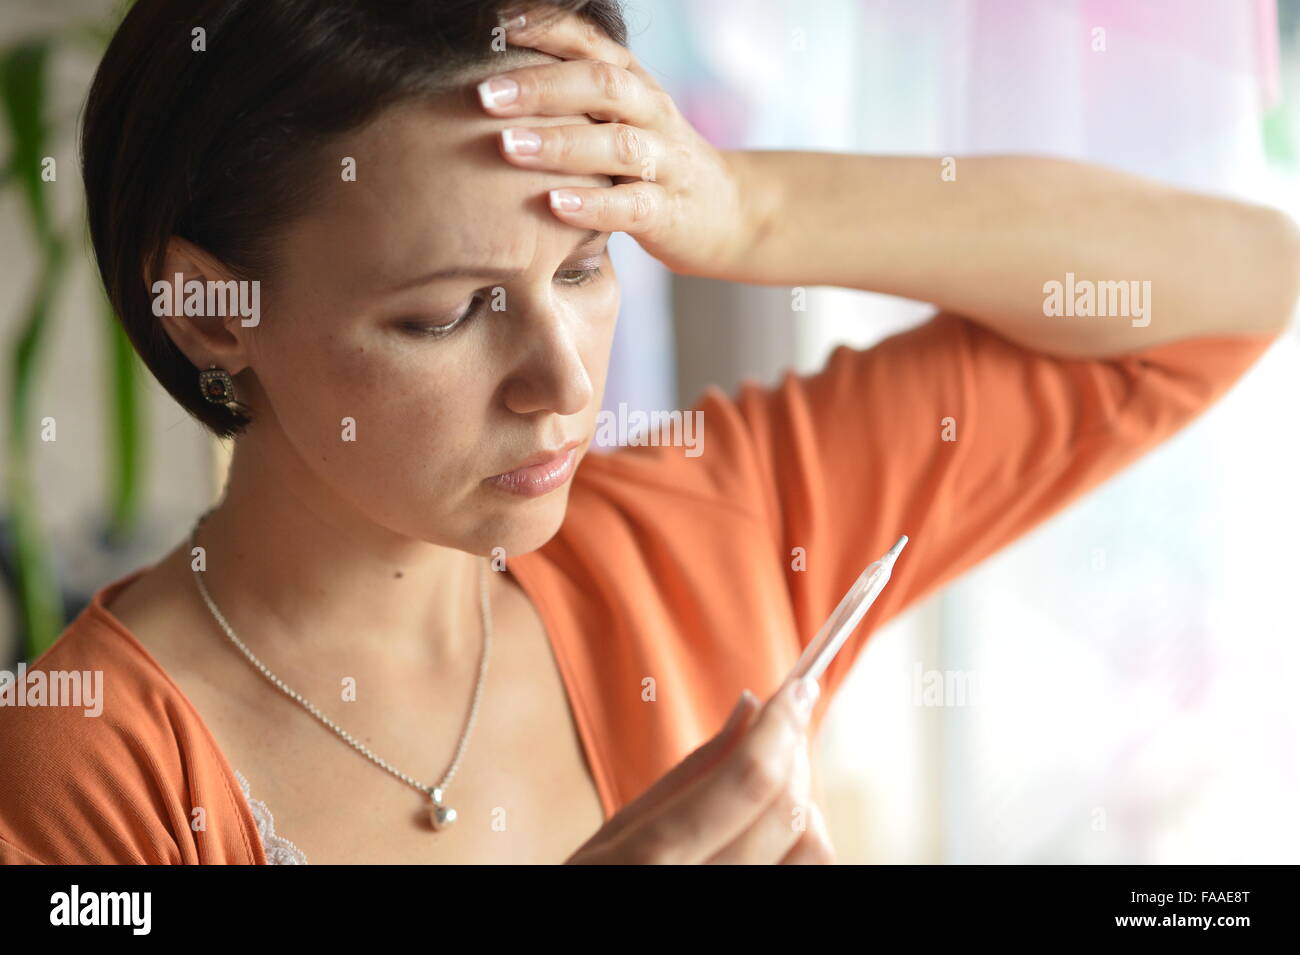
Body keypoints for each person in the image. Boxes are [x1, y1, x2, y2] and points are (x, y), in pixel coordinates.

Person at [0, 0, 1294, 865]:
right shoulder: (93, 765)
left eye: (586, 265)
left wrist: (756, 213)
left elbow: (1231, 286)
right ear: (210, 310)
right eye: (447, 316)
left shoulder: (713, 535)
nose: (562, 382)